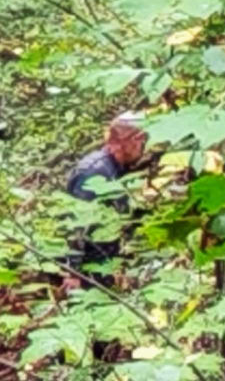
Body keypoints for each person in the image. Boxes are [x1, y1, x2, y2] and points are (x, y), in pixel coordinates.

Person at [60, 111, 154, 279]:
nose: (143, 147)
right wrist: (74, 273)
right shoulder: (94, 172)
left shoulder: (118, 168)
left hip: (109, 260)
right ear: (132, 140)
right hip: (91, 266)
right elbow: (77, 224)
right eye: (142, 141)